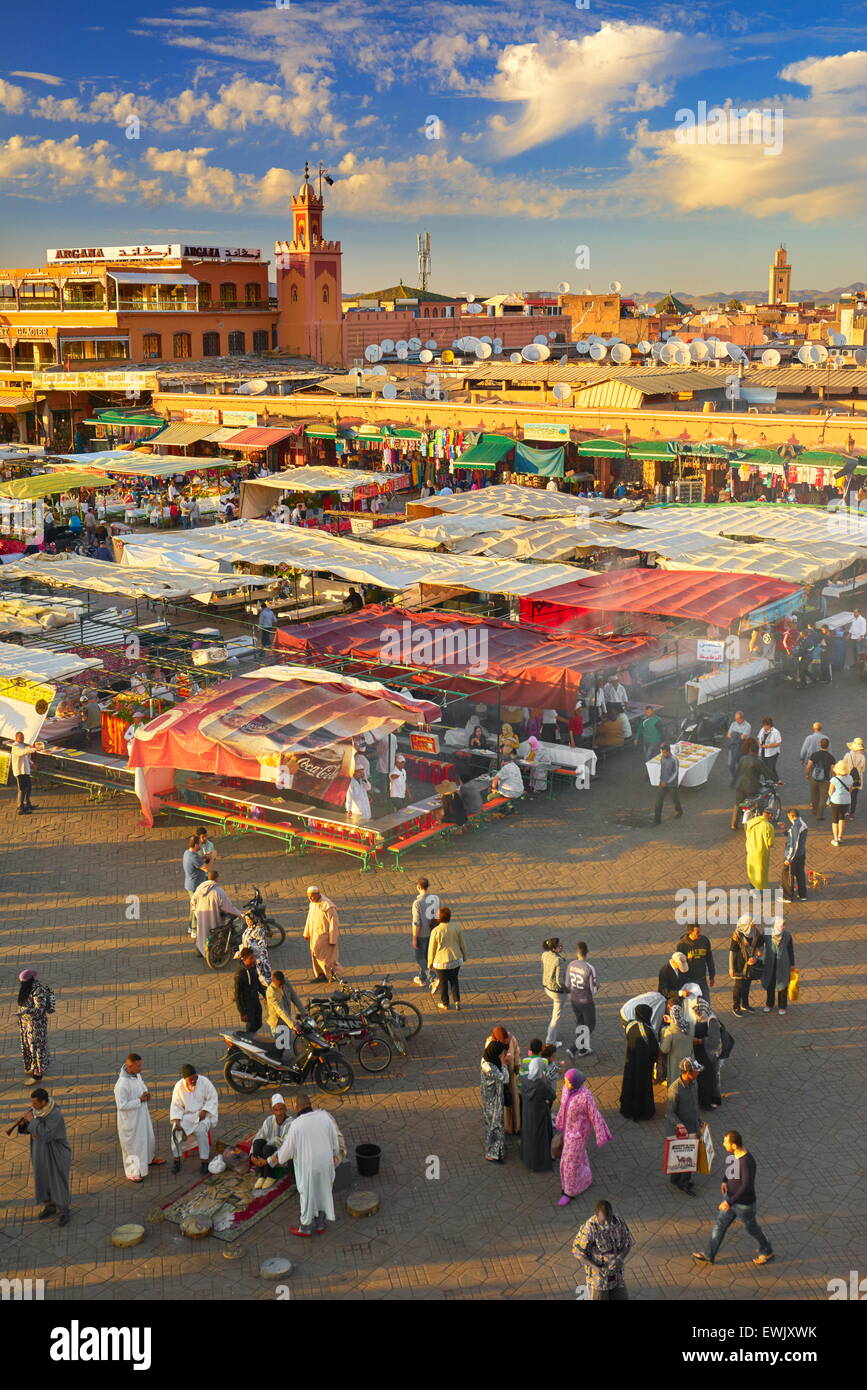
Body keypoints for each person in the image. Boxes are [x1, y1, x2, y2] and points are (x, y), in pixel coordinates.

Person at [692, 1131, 774, 1266]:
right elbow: (730, 1168)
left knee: (751, 1228)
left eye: (726, 1142)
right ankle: (709, 1254)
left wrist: (729, 1202)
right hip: (730, 1199)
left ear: (734, 1145)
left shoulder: (746, 1162)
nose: (723, 1144)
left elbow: (746, 1186)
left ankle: (767, 1250)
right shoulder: (734, 1154)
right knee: (719, 1225)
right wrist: (725, 1180)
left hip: (743, 1205)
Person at [266, 1095, 341, 1236]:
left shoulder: (296, 1124)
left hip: (308, 1167)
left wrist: (276, 1158)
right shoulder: (325, 1117)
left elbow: (287, 1151)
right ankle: (320, 1224)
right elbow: (335, 1143)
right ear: (310, 1104)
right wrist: (333, 1155)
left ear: (296, 1107)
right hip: (326, 1164)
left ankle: (305, 1227)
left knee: (307, 1195)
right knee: (323, 1192)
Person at [14, 1088, 72, 1225]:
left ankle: (64, 1211)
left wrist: (31, 1121)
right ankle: (50, 1206)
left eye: (35, 1102)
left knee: (57, 1180)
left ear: (44, 1102)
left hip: (55, 1153)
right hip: (39, 1152)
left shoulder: (55, 1114)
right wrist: (23, 1124)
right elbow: (30, 1130)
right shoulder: (35, 1111)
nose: (33, 1105)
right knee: (42, 1179)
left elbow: (46, 1134)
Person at [554, 1070, 612, 1205]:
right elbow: (563, 1108)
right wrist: (559, 1122)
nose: (566, 1084)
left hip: (578, 1135)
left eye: (568, 1082)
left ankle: (569, 1192)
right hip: (568, 1131)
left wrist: (601, 1135)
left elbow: (595, 1115)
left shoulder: (586, 1096)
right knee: (576, 1158)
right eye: (565, 1081)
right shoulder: (565, 1090)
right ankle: (585, 1179)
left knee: (569, 1162)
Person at [114, 1053, 164, 1182]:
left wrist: (146, 1092)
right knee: (132, 1146)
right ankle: (133, 1172)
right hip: (130, 1121)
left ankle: (149, 1159)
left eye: (140, 1065)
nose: (141, 1068)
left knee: (148, 1138)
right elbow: (122, 1105)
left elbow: (142, 1086)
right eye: (138, 1066)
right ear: (129, 1067)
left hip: (142, 1115)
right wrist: (139, 1100)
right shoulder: (121, 1085)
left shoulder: (136, 1075)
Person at [573, 1200, 635, 1301]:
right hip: (599, 1279)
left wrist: (620, 1257)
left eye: (609, 1218)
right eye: (603, 1220)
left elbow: (627, 1243)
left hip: (617, 1276)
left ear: (612, 1213)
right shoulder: (590, 1228)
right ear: (596, 1216)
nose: (607, 1223)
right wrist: (596, 1268)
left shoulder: (619, 1222)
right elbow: (578, 1252)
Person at [169, 1064, 219, 1174]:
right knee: (175, 1133)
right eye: (190, 1079)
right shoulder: (179, 1086)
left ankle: (204, 1161)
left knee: (201, 1131)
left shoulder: (204, 1082)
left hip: (202, 1114)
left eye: (195, 1078)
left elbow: (213, 1098)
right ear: (184, 1079)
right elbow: (176, 1105)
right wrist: (177, 1121)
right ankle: (176, 1160)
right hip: (186, 1116)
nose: (193, 1081)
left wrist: (205, 1111)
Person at [665, 1058, 702, 1196]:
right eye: (696, 1071)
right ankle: (683, 1182)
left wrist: (699, 1119)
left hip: (693, 1126)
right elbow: (669, 1113)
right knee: (687, 1157)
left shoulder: (693, 1083)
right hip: (681, 1131)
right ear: (688, 1072)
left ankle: (676, 1179)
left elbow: (694, 1103)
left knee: (684, 1156)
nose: (698, 1073)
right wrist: (680, 1125)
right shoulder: (675, 1089)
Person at [618, 1004, 659, 1120]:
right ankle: (642, 1111)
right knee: (642, 1086)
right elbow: (654, 1049)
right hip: (644, 1065)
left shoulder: (630, 1025)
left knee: (629, 1083)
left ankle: (627, 1108)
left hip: (630, 1061)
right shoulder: (648, 1031)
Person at [189, 869, 241, 960]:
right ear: (217, 879)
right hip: (214, 918)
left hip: (202, 917)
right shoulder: (219, 892)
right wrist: (240, 914)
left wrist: (197, 912)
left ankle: (200, 951)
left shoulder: (200, 888)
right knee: (215, 935)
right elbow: (228, 907)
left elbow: (193, 902)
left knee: (202, 934)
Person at [249, 1094, 293, 1191]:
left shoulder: (291, 1123)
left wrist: (267, 1160)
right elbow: (259, 1136)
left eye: (281, 1109)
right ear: (273, 1111)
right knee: (257, 1143)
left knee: (267, 1148)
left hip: (280, 1156)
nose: (279, 1113)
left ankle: (270, 1175)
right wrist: (252, 1155)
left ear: (285, 1109)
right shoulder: (269, 1120)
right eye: (276, 1110)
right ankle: (262, 1175)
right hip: (266, 1154)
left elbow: (286, 1147)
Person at [16, 968, 54, 1081]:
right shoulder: (26, 988)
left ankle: (38, 1074)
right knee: (28, 1045)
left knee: (37, 1047)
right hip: (26, 1024)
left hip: (37, 1025)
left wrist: (26, 1011)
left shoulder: (38, 990)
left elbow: (40, 1010)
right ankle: (32, 1066)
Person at [428, 905, 467, 1011]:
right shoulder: (457, 927)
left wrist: (430, 963)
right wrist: (465, 956)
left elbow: (432, 949)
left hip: (441, 963)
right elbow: (462, 943)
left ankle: (445, 1003)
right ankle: (457, 1001)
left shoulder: (435, 931)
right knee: (454, 980)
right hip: (456, 959)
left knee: (443, 983)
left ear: (439, 918)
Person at [486, 1025, 521, 1135]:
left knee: (513, 1099)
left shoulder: (511, 1039)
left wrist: (516, 1065)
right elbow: (489, 1062)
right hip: (498, 1076)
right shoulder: (490, 1043)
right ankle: (504, 1127)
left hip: (510, 1073)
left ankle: (516, 1126)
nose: (505, 1043)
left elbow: (516, 1053)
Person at [689, 995, 722, 1109]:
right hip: (697, 1052)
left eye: (698, 1012)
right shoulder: (696, 1018)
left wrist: (699, 1041)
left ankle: (708, 1102)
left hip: (707, 1054)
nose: (697, 1015)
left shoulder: (711, 1020)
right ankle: (700, 1100)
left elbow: (714, 1040)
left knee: (708, 1078)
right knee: (699, 1077)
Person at [566, 942, 598, 1057]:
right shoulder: (590, 968)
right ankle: (574, 1048)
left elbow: (567, 984)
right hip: (586, 1001)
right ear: (587, 952)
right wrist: (597, 987)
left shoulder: (571, 965)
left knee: (580, 1023)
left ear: (577, 953)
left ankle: (583, 1050)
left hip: (574, 1000)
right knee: (590, 1025)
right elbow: (593, 990)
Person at [480, 1040, 509, 1162]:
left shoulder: (487, 1061)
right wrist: (503, 1064)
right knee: (495, 1124)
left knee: (493, 1124)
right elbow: (505, 1079)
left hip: (492, 1099)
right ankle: (493, 1153)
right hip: (492, 1101)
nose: (503, 1056)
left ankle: (497, 1148)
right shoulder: (490, 1068)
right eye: (501, 1054)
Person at [303, 886, 341, 982]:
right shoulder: (312, 903)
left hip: (325, 936)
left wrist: (332, 939)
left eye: (312, 896)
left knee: (327, 959)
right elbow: (309, 918)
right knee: (315, 956)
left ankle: (334, 975)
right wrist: (306, 932)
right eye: (309, 896)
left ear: (318, 894)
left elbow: (334, 923)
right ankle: (320, 975)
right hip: (314, 936)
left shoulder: (328, 906)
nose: (310, 898)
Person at [729, 913, 763, 1016]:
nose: (754, 925)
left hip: (750, 964)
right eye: (752, 924)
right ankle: (736, 1007)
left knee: (747, 984)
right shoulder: (737, 935)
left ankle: (745, 1004)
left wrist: (756, 957)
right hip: (739, 964)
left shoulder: (756, 933)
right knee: (739, 986)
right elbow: (732, 952)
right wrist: (731, 968)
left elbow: (760, 946)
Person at [541, 938, 571, 1050]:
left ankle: (551, 1035)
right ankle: (550, 1041)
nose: (561, 946)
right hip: (557, 992)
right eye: (559, 946)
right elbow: (560, 981)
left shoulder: (544, 955)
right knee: (557, 1016)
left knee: (556, 1013)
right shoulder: (559, 960)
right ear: (554, 949)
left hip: (546, 987)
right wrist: (568, 990)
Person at [762, 918, 795, 1015]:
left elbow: (790, 950)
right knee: (770, 983)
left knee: (783, 984)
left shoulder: (787, 935)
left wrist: (792, 964)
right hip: (770, 963)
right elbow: (758, 942)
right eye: (781, 925)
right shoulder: (767, 933)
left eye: (784, 925)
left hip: (783, 963)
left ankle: (782, 1006)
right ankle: (769, 1004)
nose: (783, 928)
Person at [659, 995, 694, 1084]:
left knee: (676, 1085)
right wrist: (671, 1021)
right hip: (689, 1059)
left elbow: (664, 1049)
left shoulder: (670, 1031)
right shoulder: (691, 1025)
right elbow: (680, 1024)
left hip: (676, 1064)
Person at [411, 876, 440, 987]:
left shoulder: (417, 903)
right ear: (428, 886)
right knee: (427, 957)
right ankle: (421, 978)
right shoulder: (436, 899)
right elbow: (439, 915)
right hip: (433, 932)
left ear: (418, 887)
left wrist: (414, 937)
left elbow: (416, 923)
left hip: (422, 934)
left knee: (420, 958)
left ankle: (433, 978)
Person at [677, 924, 716, 1000]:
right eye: (697, 932)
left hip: (702, 979)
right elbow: (679, 964)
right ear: (690, 932)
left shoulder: (705, 941)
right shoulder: (682, 945)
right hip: (688, 980)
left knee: (706, 1001)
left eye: (700, 931)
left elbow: (709, 959)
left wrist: (712, 976)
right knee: (691, 1004)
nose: (700, 934)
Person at [731, 736, 763, 830]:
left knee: (738, 804)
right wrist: (775, 779)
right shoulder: (757, 761)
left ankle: (734, 824)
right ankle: (756, 819)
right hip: (751, 786)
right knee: (755, 801)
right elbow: (766, 772)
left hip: (739, 785)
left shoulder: (742, 758)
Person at [10, 730, 43, 815]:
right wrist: (34, 749)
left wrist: (32, 763)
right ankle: (20, 807)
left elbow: (25, 757)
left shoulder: (22, 746)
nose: (22, 739)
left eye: (23, 737)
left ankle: (28, 804)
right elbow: (22, 753)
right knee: (22, 790)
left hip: (25, 771)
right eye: (20, 737)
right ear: (16, 738)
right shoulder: (15, 747)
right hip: (20, 772)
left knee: (28, 788)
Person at [265, 970, 306, 1038]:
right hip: (278, 1023)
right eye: (280, 984)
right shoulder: (271, 992)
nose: (282, 985)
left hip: (287, 1019)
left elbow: (294, 996)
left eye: (283, 983)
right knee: (280, 1045)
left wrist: (303, 1011)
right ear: (273, 982)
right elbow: (280, 1011)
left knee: (287, 1043)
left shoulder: (285, 982)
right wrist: (292, 1025)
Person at [235, 947, 267, 1032]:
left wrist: (265, 994)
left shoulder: (252, 968)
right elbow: (238, 995)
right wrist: (242, 1012)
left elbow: (257, 982)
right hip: (247, 1005)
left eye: (254, 957)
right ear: (245, 960)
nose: (254, 960)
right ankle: (250, 1040)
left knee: (259, 1023)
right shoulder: (240, 975)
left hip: (255, 1000)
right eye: (251, 958)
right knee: (251, 1027)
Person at [745, 808, 775, 890]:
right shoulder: (769, 826)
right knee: (760, 873)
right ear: (770, 815)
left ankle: (752, 889)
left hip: (751, 850)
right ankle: (759, 891)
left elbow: (747, 835)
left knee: (752, 871)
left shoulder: (751, 822)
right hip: (761, 852)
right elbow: (770, 843)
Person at [782, 808, 808, 903]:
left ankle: (787, 897)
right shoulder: (803, 824)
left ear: (792, 816)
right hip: (801, 854)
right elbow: (793, 836)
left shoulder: (795, 827)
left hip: (794, 856)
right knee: (800, 874)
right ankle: (803, 895)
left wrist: (789, 858)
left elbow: (794, 844)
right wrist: (785, 830)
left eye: (788, 817)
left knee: (788, 876)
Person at [805, 737, 834, 821]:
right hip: (825, 780)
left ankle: (814, 810)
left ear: (820, 745)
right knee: (823, 798)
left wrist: (808, 775)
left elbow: (809, 766)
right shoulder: (830, 757)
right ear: (828, 746)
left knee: (814, 795)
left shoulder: (814, 754)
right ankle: (819, 815)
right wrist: (832, 779)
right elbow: (833, 770)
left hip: (814, 778)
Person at [653, 743, 683, 824]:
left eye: (665, 752)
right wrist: (662, 780)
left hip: (672, 785)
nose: (663, 754)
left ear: (669, 751)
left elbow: (675, 773)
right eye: (662, 752)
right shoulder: (662, 758)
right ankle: (657, 820)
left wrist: (667, 782)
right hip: (662, 783)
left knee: (675, 799)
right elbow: (662, 770)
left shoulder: (674, 760)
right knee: (658, 802)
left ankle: (679, 810)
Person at [828, 760, 853, 846]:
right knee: (842, 818)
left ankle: (835, 839)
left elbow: (830, 792)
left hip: (836, 801)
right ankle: (840, 837)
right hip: (846, 801)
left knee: (835, 820)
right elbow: (850, 790)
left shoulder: (834, 779)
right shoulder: (850, 778)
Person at [726, 711, 751, 785]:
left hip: (741, 748)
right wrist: (737, 735)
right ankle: (735, 777)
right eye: (735, 718)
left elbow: (743, 737)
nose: (736, 720)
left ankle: (743, 780)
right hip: (732, 747)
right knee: (731, 765)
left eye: (737, 719)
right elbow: (728, 735)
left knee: (741, 764)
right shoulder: (733, 724)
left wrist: (734, 734)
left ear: (742, 718)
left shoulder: (747, 726)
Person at [842, 736, 865, 818]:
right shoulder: (862, 757)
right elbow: (863, 769)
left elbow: (843, 765)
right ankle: (852, 814)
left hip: (847, 778)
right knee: (854, 797)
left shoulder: (848, 755)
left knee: (846, 795)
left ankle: (845, 812)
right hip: (856, 780)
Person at [757, 716, 782, 781]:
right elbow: (759, 737)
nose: (764, 727)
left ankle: (775, 780)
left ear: (769, 725)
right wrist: (759, 744)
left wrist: (768, 746)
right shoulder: (762, 730)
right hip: (763, 752)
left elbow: (779, 743)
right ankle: (767, 781)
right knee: (765, 768)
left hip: (772, 753)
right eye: (763, 725)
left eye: (765, 725)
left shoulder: (776, 732)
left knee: (771, 768)